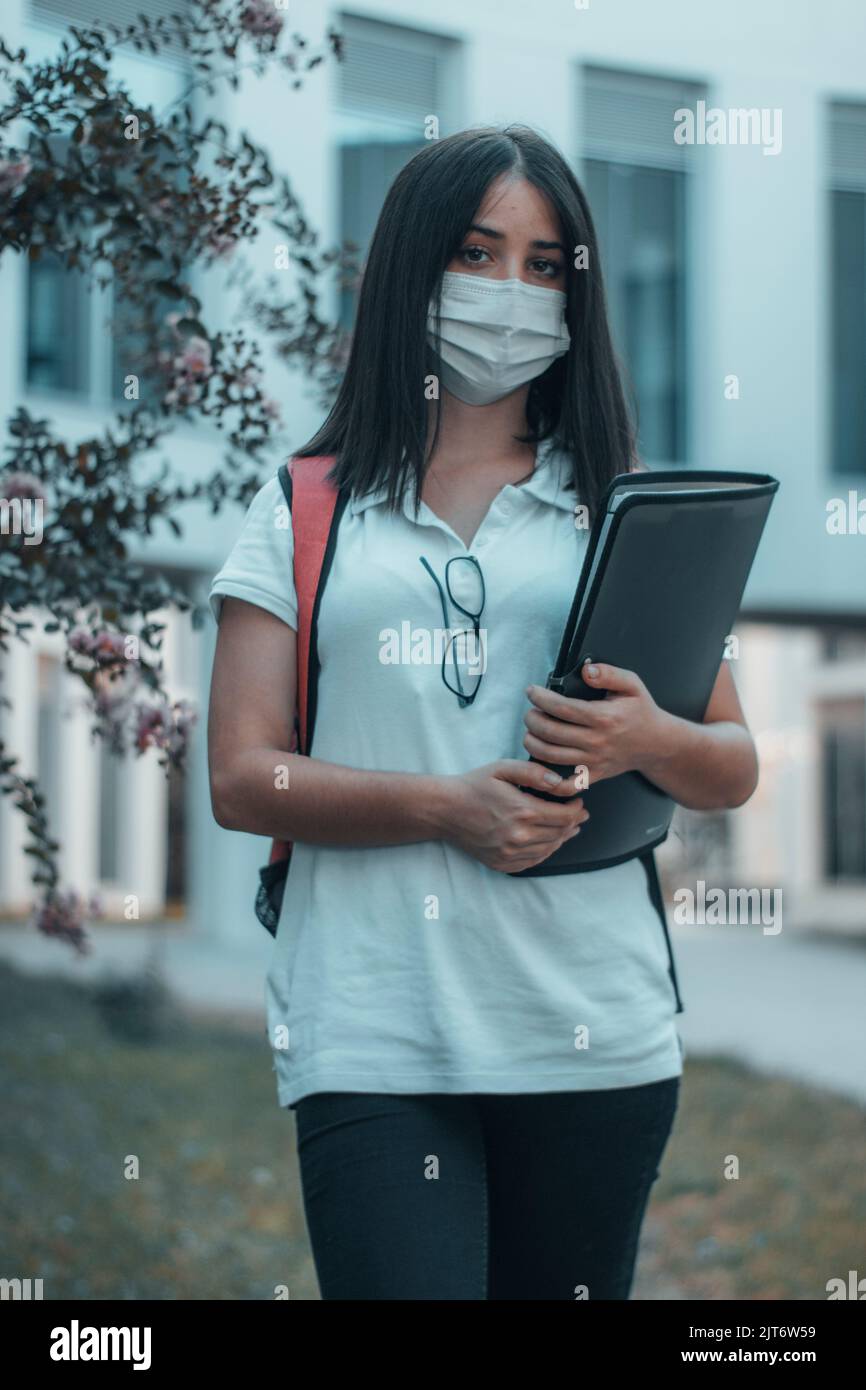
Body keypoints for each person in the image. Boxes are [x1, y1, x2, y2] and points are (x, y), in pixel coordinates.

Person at [207, 125, 759, 1301]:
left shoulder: (618, 504)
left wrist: (645, 738)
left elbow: (730, 761)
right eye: (476, 253)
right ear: (415, 268)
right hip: (370, 1034)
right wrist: (439, 806)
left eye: (545, 264)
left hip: (590, 1034)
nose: (511, 292)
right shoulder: (307, 508)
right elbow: (242, 777)